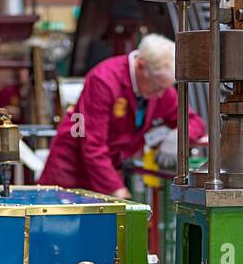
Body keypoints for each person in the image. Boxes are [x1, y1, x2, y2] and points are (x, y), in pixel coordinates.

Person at [39, 33, 207, 197]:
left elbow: (195, 121)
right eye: (157, 87)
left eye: (166, 88)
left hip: (108, 170)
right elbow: (93, 146)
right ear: (141, 65)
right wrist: (115, 189)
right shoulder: (104, 81)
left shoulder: (159, 88)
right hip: (71, 174)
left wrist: (179, 135)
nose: (161, 94)